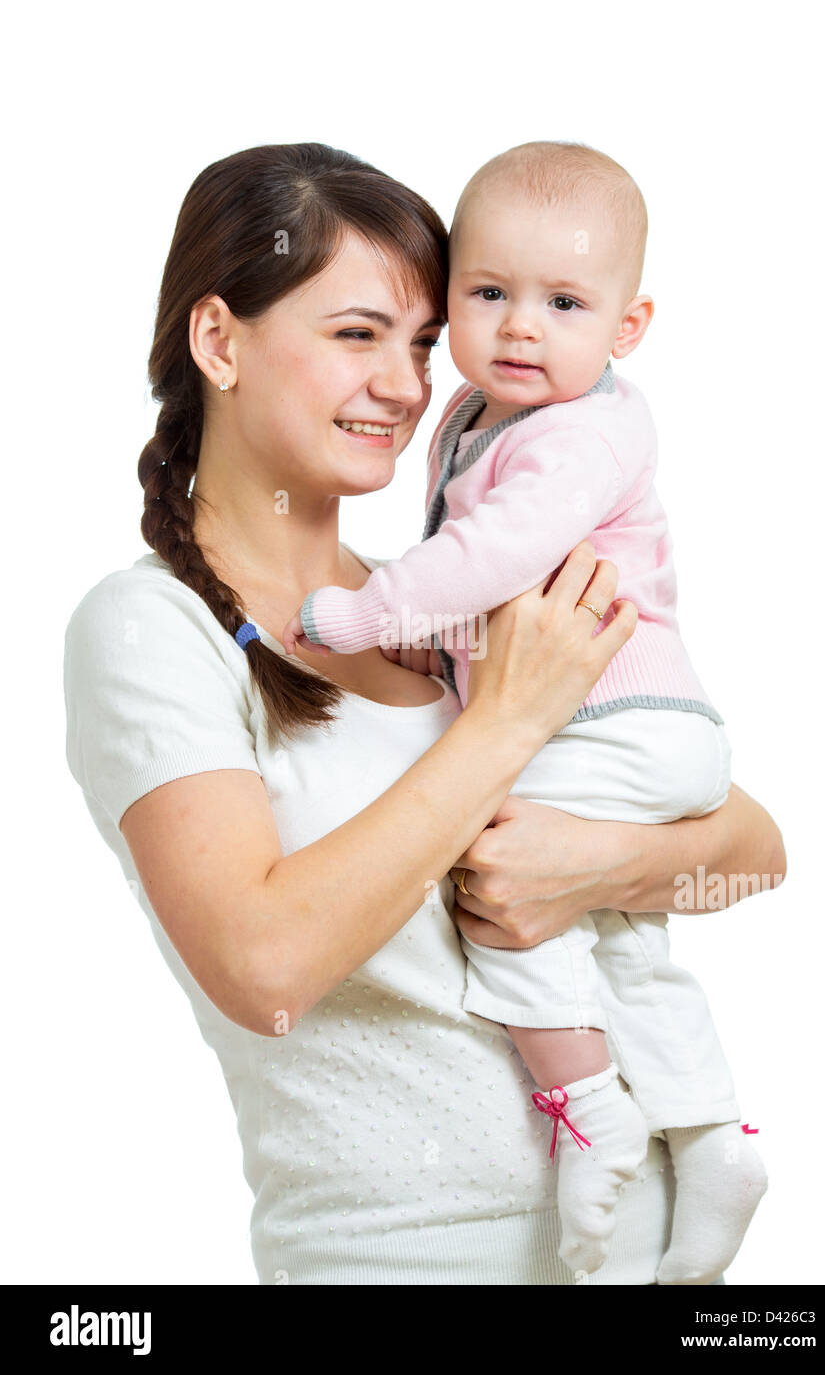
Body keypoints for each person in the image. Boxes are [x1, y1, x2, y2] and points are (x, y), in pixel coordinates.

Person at [63, 142, 786, 1286]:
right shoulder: (152, 630)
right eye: (356, 335)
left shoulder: (438, 605)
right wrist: (500, 728)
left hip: (634, 1250)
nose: (407, 385)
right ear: (219, 341)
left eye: (416, 338)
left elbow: (753, 851)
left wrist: (580, 864)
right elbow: (264, 969)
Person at [285, 140, 769, 1284]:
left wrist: (370, 614)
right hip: (636, 726)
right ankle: (710, 1133)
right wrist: (425, 625)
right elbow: (485, 592)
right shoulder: (487, 409)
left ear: (628, 325)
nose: (517, 327)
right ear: (447, 294)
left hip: (611, 723)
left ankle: (588, 1107)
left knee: (497, 877)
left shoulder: (581, 432)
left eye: (563, 303)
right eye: (487, 293)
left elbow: (492, 552)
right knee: (622, 940)